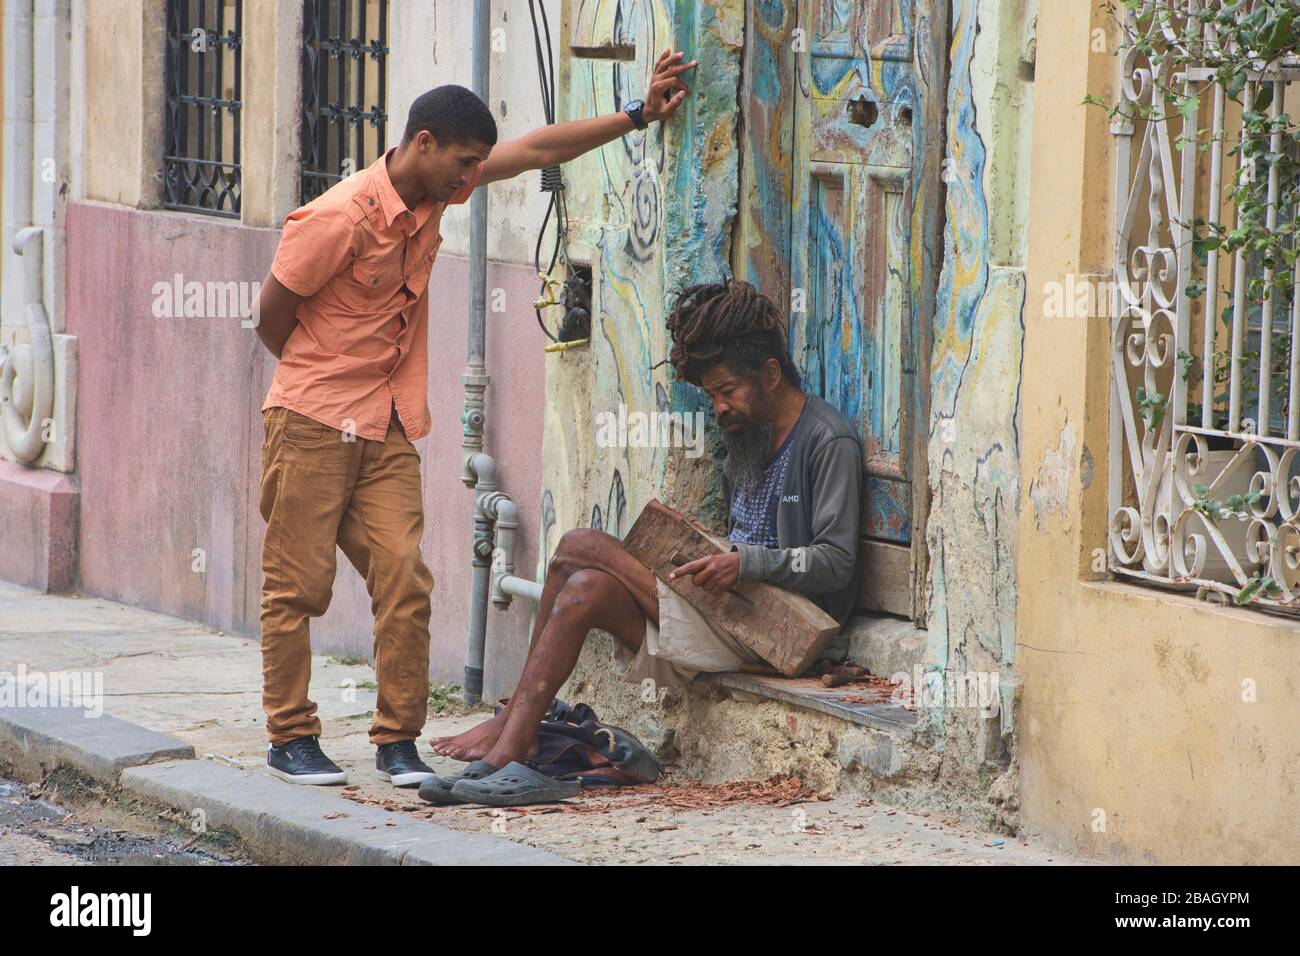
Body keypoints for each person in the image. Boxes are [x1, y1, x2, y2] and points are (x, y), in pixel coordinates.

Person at [252, 52, 697, 787]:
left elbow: (537, 151)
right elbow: (272, 318)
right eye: (463, 162)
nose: (471, 178)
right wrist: (324, 377)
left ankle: (398, 741)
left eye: (475, 166)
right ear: (423, 143)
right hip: (311, 418)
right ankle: (289, 738)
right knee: (297, 586)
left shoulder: (439, 192)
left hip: (391, 421)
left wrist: (637, 114)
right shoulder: (334, 218)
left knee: (405, 579)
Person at [423, 279, 863, 806]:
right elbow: (748, 537)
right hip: (731, 613)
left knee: (580, 544)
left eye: (728, 391)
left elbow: (835, 563)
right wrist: (707, 544)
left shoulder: (826, 440)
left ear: (770, 374)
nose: (720, 408)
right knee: (583, 589)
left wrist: (745, 561)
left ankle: (509, 738)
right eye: (711, 396)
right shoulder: (748, 436)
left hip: (779, 632)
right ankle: (517, 744)